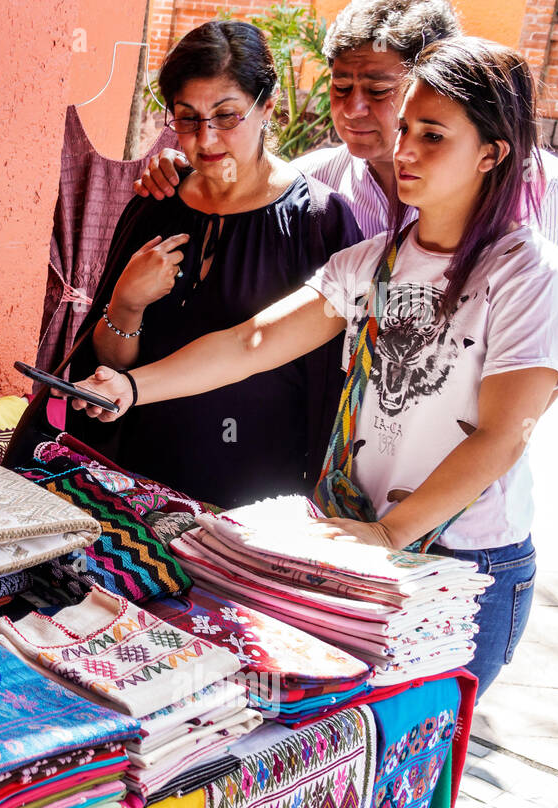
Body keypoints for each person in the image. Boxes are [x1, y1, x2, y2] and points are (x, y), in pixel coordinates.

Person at [71, 38, 558, 698]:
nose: (404, 151)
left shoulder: (526, 273)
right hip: (361, 541)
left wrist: (390, 532)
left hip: (462, 562)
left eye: (433, 135)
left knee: (416, 758)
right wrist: (132, 386)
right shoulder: (375, 263)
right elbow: (251, 343)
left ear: (491, 153)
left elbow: (503, 434)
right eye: (406, 131)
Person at [135, 0, 558, 391]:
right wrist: (191, 170)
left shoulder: (549, 191)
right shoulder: (316, 193)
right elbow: (257, 338)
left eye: (379, 90)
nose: (353, 109)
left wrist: (493, 434)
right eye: (342, 87)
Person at [64, 20, 362, 508]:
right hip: (140, 486)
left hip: (258, 501)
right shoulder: (155, 205)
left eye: (226, 116)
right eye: (187, 118)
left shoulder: (319, 222)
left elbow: (329, 378)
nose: (206, 140)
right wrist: (126, 305)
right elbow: (106, 370)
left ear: (266, 107)